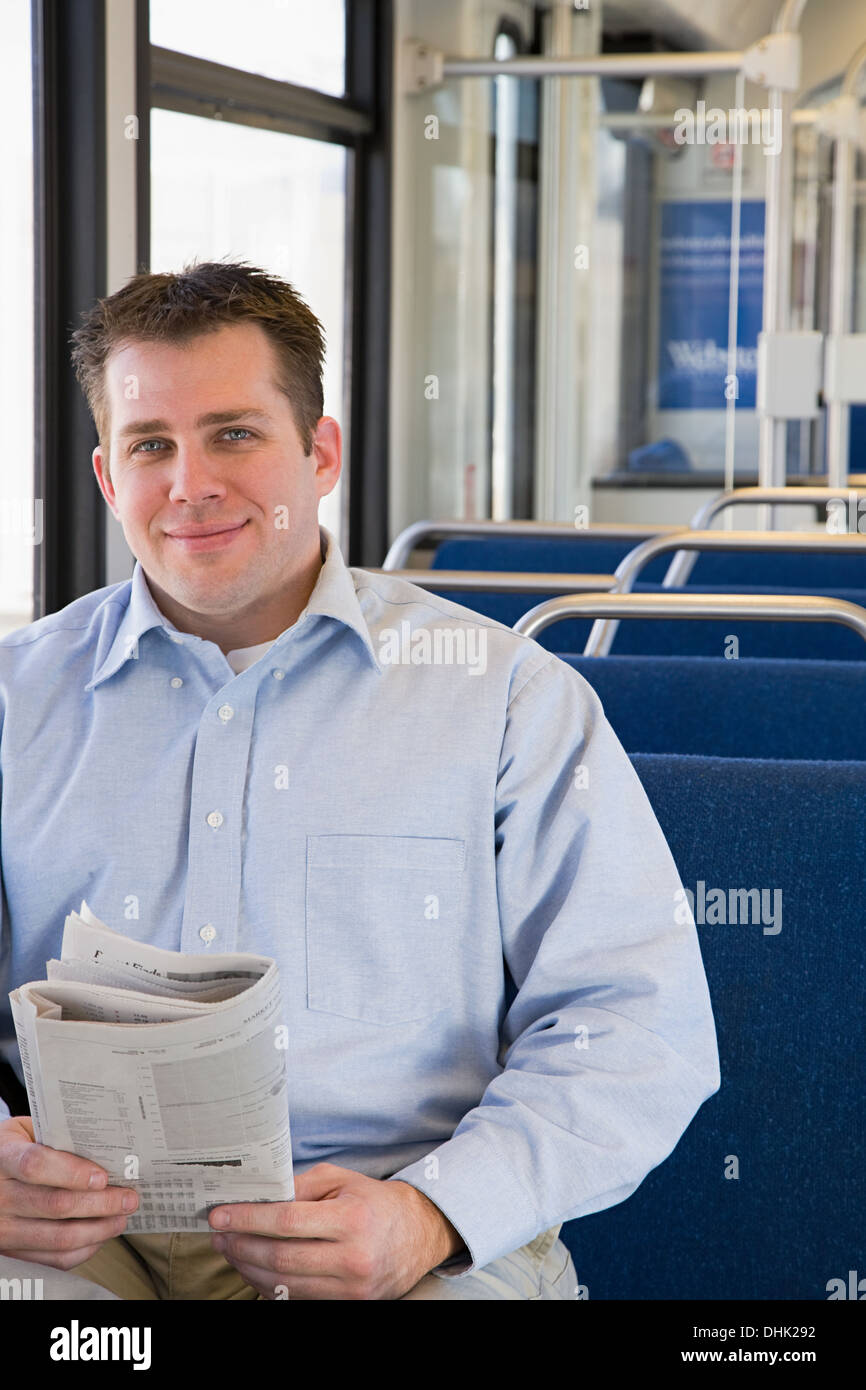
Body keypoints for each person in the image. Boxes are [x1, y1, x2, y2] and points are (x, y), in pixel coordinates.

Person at [0, 261, 719, 1300]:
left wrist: (434, 1213)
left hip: (397, 1228)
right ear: (110, 478)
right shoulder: (18, 700)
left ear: (319, 452)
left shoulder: (505, 698)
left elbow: (633, 1023)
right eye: (151, 445)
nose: (190, 482)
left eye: (233, 433)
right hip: (80, 1229)